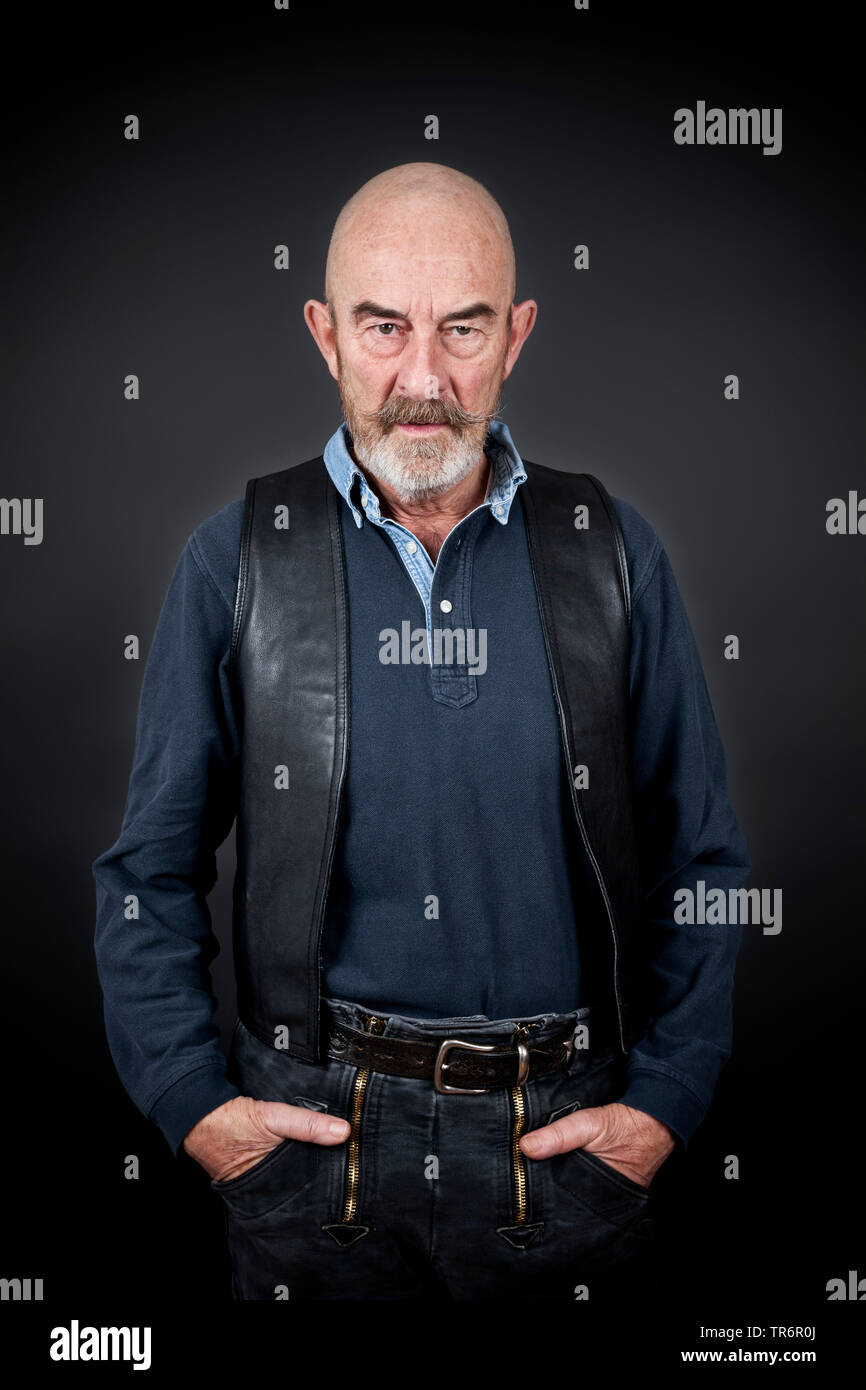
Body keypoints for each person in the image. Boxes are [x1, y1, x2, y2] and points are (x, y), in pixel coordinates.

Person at [92, 161, 751, 1301]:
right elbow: (146, 873)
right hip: (311, 1152)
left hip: (568, 1146)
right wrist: (198, 1112)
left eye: (463, 328)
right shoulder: (237, 555)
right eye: (383, 326)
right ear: (325, 335)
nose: (423, 377)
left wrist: (660, 1108)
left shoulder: (609, 550)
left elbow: (703, 865)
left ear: (516, 336)